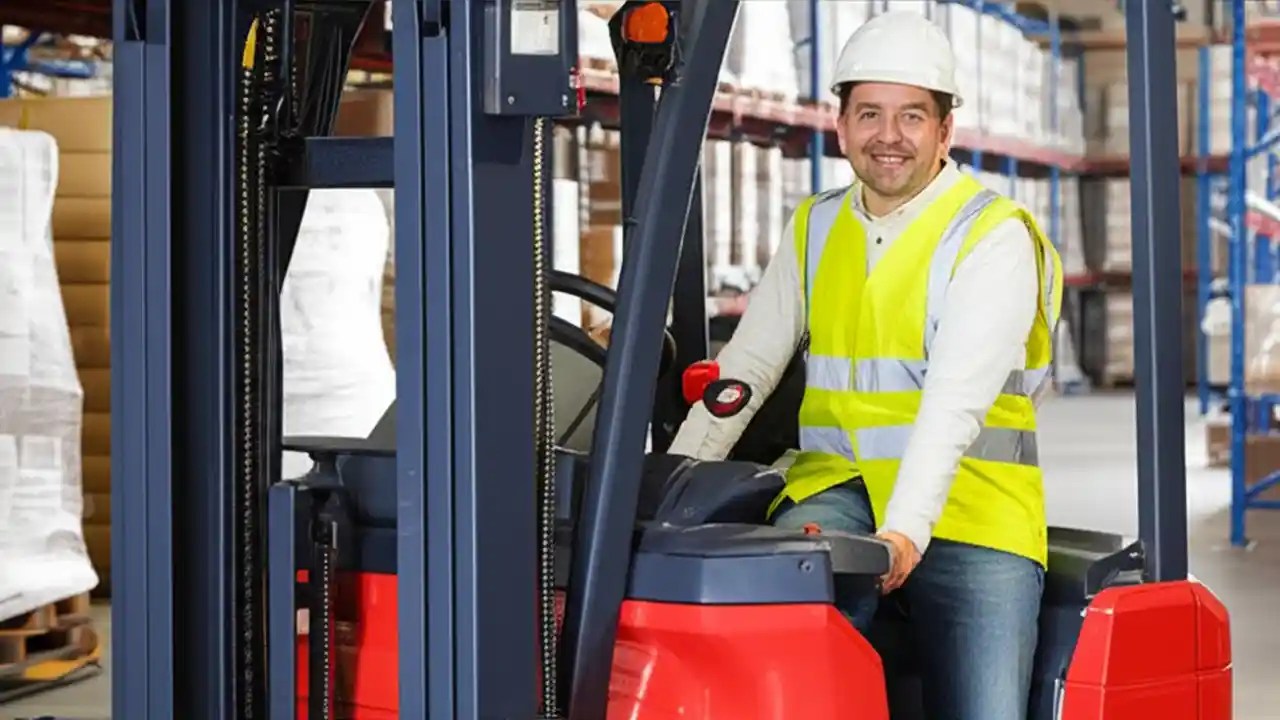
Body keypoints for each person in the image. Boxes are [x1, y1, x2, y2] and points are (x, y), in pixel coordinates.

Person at [667, 10, 1063, 720]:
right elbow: (747, 368)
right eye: (871, 113)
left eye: (912, 116)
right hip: (839, 489)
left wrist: (906, 532)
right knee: (775, 624)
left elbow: (953, 406)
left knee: (984, 709)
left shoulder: (992, 236)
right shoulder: (817, 224)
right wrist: (671, 483)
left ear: (945, 132)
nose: (890, 136)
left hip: (974, 509)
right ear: (842, 124)